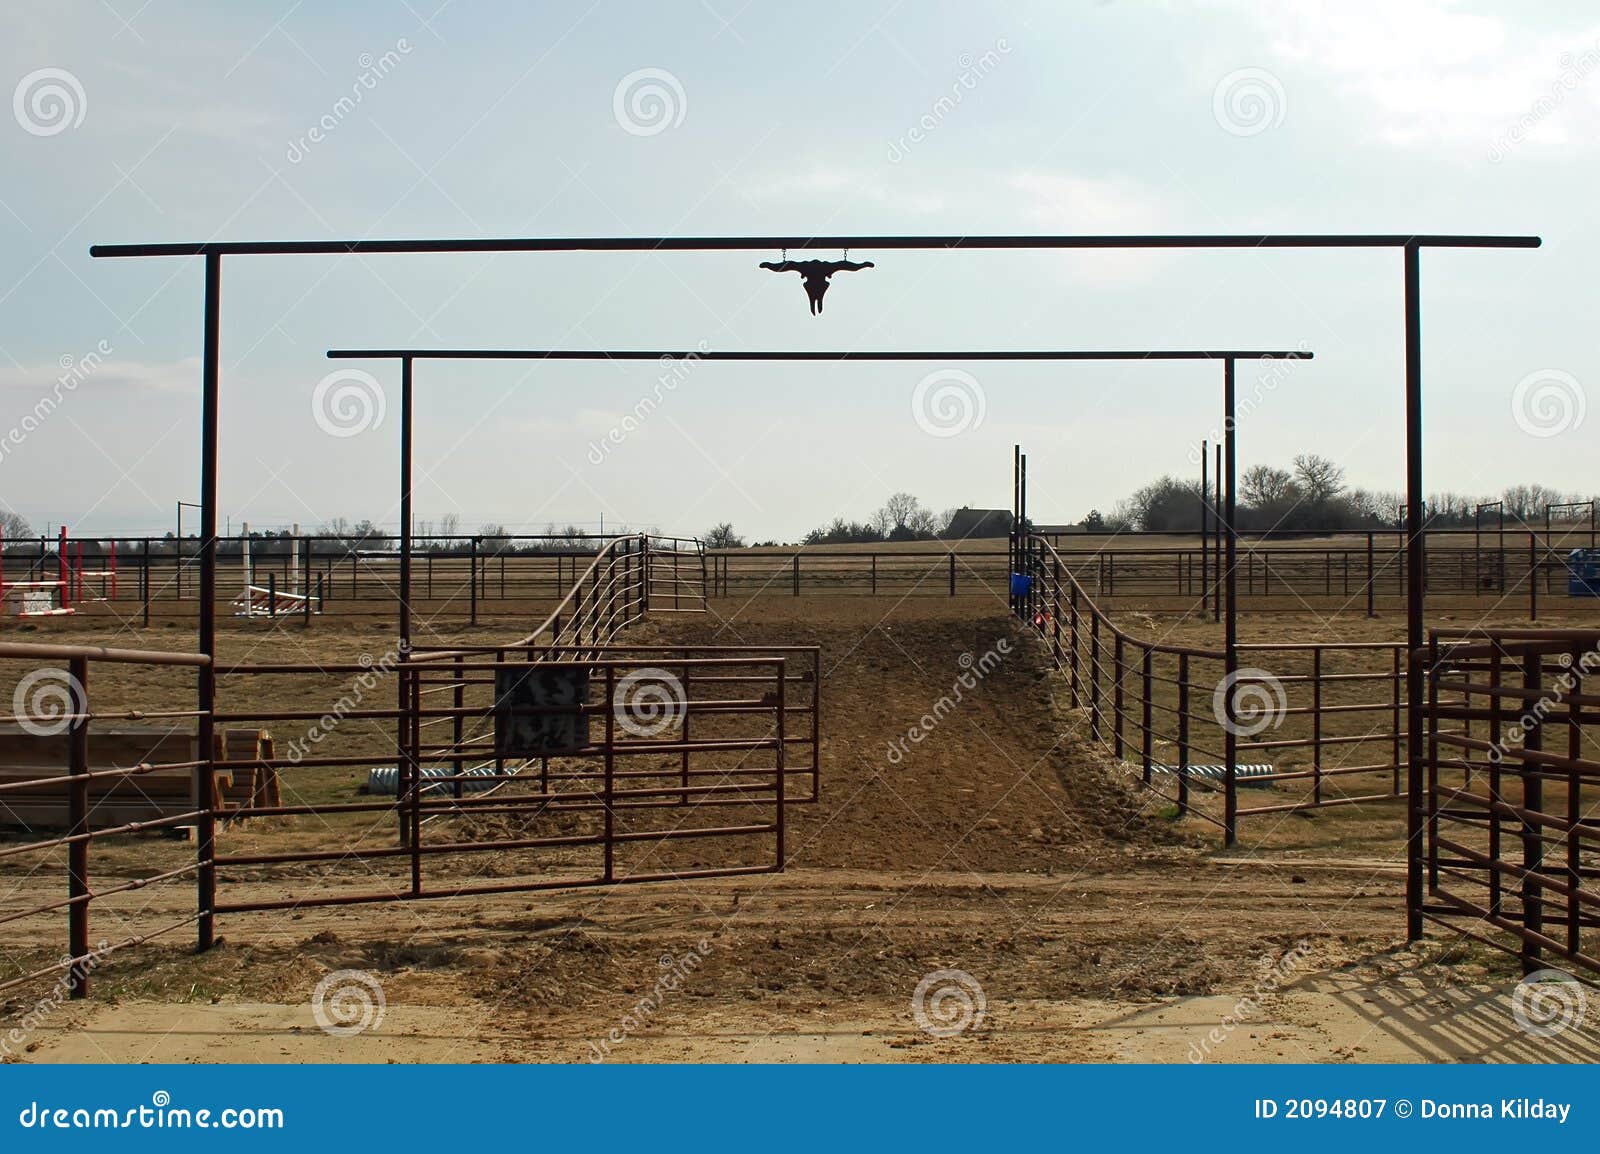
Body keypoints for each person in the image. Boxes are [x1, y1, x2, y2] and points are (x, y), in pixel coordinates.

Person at [758, 258, 874, 314]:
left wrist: (768, 265)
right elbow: (849, 266)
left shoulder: (804, 268)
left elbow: (784, 266)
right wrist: (863, 265)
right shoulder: (826, 268)